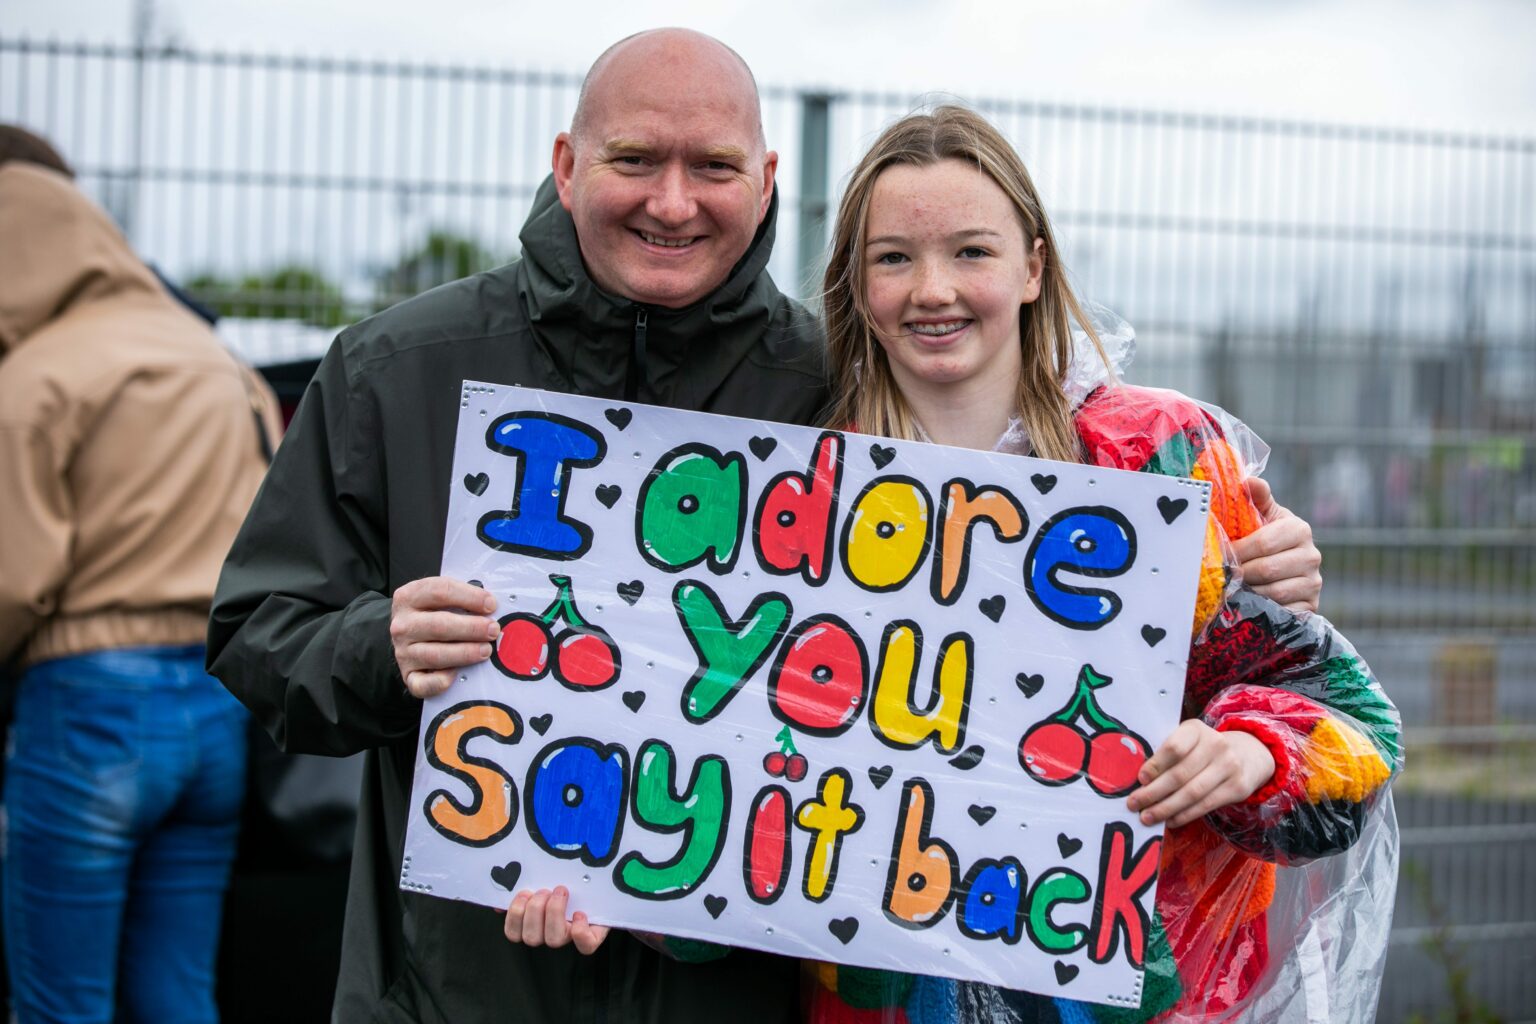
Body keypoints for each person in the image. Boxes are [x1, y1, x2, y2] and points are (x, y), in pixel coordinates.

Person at [207, 31, 1327, 1024]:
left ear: (767, 178)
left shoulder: (840, 391)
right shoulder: (401, 370)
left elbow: (1037, 543)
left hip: (740, 986)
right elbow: (256, 631)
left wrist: (1241, 560)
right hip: (454, 987)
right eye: (635, 160)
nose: (674, 201)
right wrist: (377, 648)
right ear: (566, 163)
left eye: (714, 167)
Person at [802, 105, 1400, 1023]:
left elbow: (1351, 723)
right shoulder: (799, 493)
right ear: (857, 280)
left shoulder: (1158, 460)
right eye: (893, 257)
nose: (933, 289)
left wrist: (1251, 750)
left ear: (1033, 266)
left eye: (971, 252)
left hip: (1145, 996)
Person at [0, 144, 281, 1022]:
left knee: (60, 1004)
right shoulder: (218, 363)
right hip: (214, 701)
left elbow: (15, 584)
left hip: (85, 705)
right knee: (179, 992)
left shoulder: (37, 376)